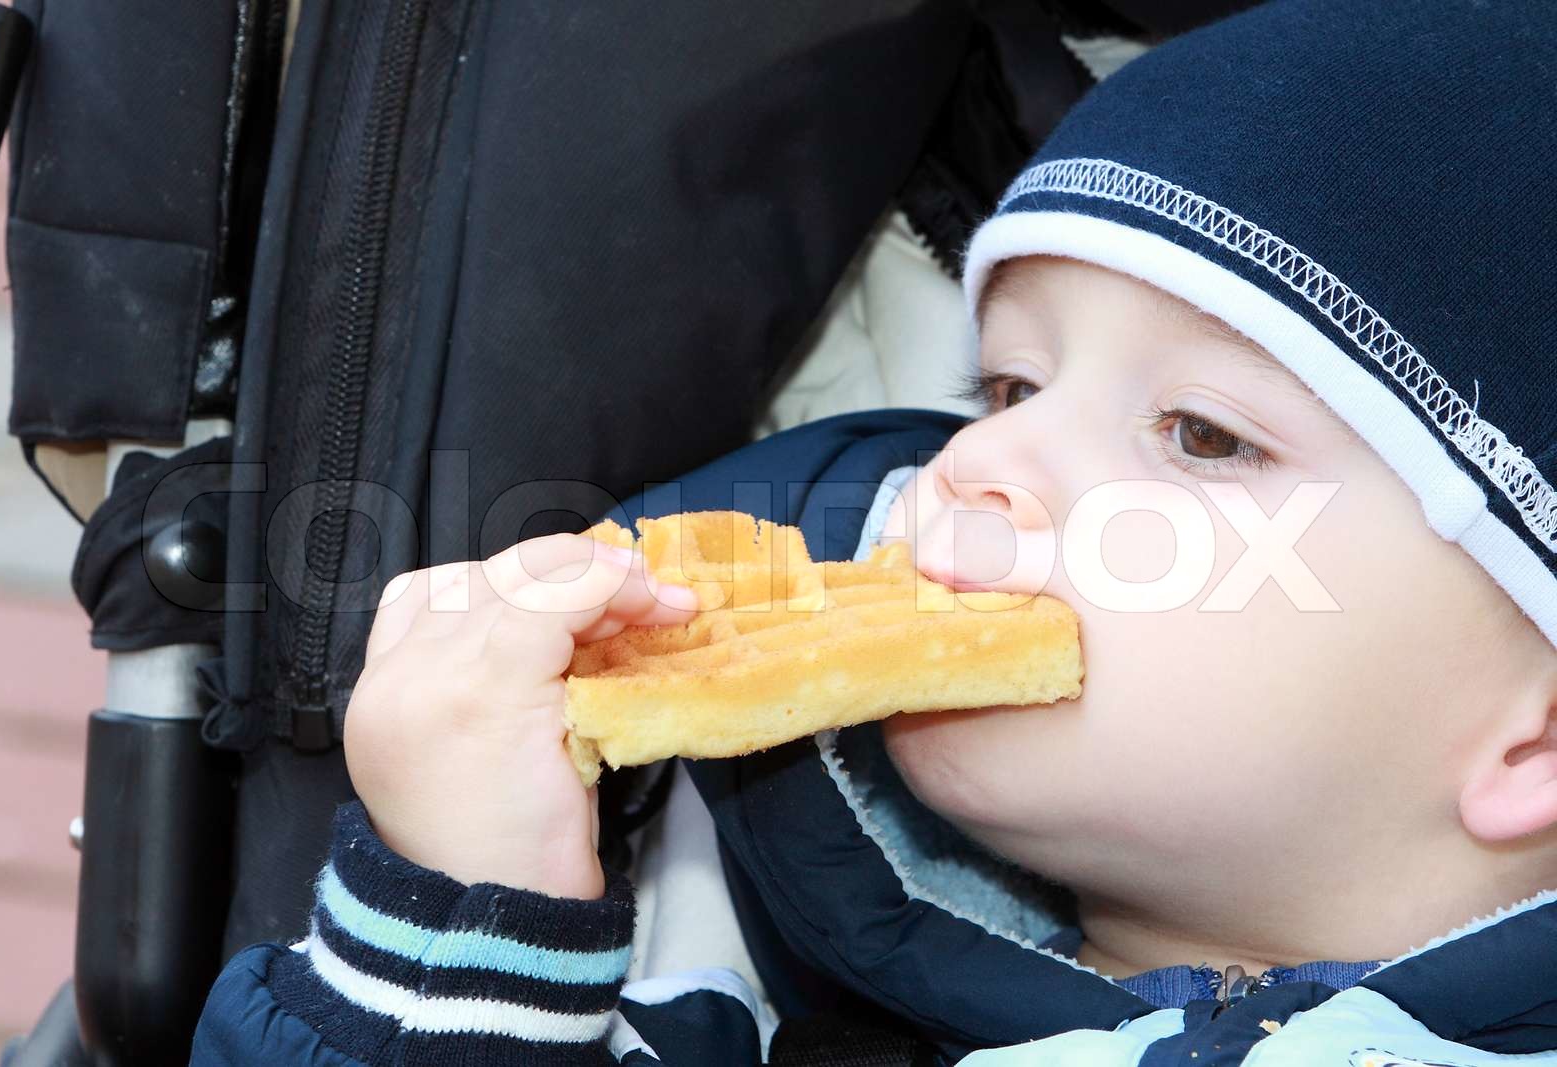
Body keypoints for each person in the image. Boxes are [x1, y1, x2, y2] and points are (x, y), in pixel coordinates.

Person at [190, 1, 1557, 1063]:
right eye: (1009, 386)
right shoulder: (716, 1013)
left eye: (1201, 433)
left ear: (1535, 737)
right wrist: (467, 928)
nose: (975, 461)